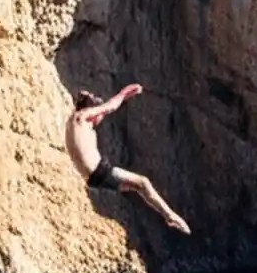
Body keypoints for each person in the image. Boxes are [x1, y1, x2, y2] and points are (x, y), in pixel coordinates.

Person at [65, 84, 191, 234]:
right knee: (143, 183)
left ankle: (166, 214)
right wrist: (126, 92)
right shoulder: (82, 116)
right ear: (87, 107)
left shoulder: (74, 124)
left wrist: (122, 98)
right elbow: (110, 106)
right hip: (99, 171)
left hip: (92, 178)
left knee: (138, 187)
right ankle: (170, 216)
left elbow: (101, 113)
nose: (99, 115)